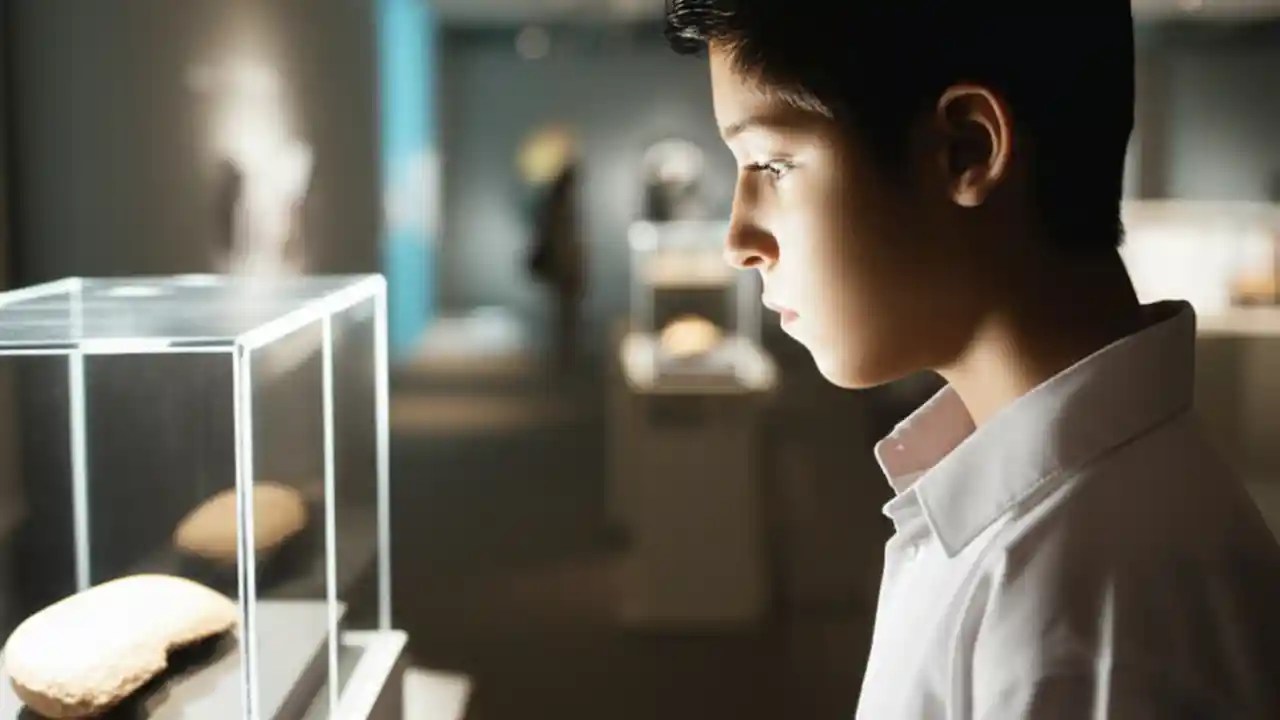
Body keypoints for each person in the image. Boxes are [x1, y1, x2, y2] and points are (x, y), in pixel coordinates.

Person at [666, 2, 1280, 718]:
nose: (738, 241)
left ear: (966, 149)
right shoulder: (1067, 530)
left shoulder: (1083, 607)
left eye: (773, 163)